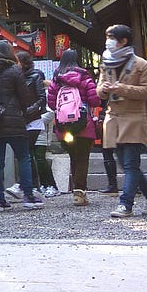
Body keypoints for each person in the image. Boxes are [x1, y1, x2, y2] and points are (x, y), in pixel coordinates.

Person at [99, 25, 147, 218]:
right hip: (113, 118)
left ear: (123, 41)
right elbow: (99, 86)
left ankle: (125, 204)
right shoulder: (106, 62)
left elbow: (146, 91)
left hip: (135, 118)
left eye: (112, 38)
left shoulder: (140, 64)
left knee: (131, 165)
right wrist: (104, 90)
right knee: (123, 163)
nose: (108, 41)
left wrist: (121, 88)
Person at [0, 39, 44, 211]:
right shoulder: (14, 71)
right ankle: (28, 197)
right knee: (23, 158)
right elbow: (25, 97)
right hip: (15, 121)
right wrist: (25, 110)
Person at [47, 48, 100, 207]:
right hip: (84, 123)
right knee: (83, 157)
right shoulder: (84, 76)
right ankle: (79, 191)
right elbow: (95, 100)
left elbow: (51, 103)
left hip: (64, 126)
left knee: (73, 157)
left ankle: (77, 190)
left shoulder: (57, 78)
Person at [13, 49, 57, 197]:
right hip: (26, 122)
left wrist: (32, 114)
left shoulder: (37, 81)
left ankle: (50, 185)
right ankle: (33, 186)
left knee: (39, 158)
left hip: (38, 125)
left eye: (17, 61)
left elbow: (48, 109)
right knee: (29, 156)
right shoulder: (18, 79)